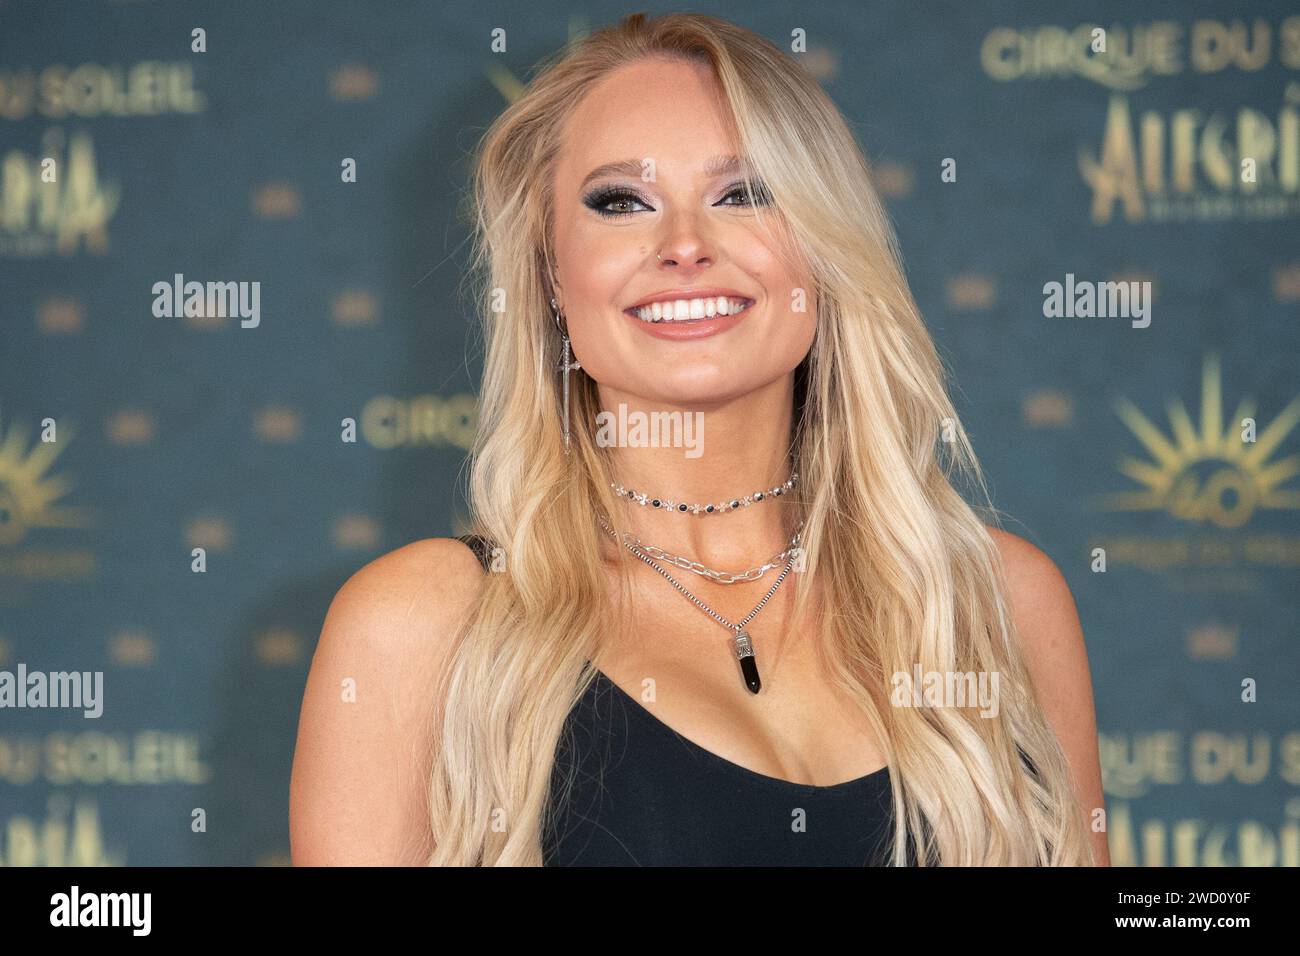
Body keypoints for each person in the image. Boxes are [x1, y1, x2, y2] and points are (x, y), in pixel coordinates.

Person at [290, 11, 1108, 867]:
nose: (685, 245)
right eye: (621, 202)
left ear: (827, 252)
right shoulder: (426, 627)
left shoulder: (995, 603)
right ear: (551, 276)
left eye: (743, 193)